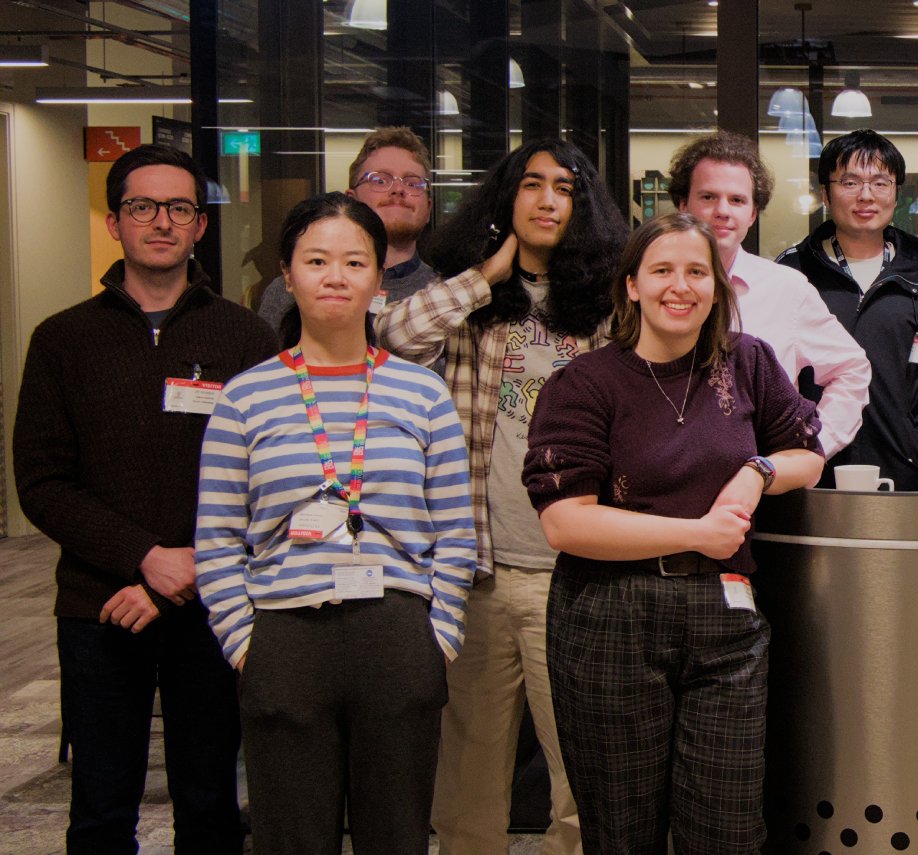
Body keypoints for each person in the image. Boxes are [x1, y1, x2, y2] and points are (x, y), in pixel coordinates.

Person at [525, 213, 825, 852]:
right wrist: (697, 532)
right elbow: (564, 522)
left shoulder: (748, 362)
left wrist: (757, 470)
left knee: (728, 828)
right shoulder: (583, 384)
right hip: (610, 617)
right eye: (662, 270)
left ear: (717, 288)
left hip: (726, 617)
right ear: (631, 285)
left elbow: (807, 453)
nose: (680, 286)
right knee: (623, 831)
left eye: (697, 272)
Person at [194, 192, 477, 853]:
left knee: (397, 834)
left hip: (398, 631)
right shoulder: (246, 396)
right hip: (284, 636)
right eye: (316, 259)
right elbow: (215, 538)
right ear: (287, 274)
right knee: (291, 835)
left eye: (355, 261)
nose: (336, 275)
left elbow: (455, 530)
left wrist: (441, 634)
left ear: (379, 279)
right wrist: (244, 642)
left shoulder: (421, 392)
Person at [13, 143, 274, 854]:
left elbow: (269, 476)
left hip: (214, 602)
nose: (161, 221)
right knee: (100, 807)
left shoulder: (245, 337)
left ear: (198, 226)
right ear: (114, 222)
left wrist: (187, 567)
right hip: (101, 605)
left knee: (210, 804)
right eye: (142, 206)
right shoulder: (62, 340)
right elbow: (41, 482)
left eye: (179, 207)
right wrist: (144, 558)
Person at [377, 139, 628, 855]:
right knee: (466, 782)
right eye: (532, 185)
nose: (548, 200)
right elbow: (392, 336)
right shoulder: (469, 303)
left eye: (566, 188)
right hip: (477, 577)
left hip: (575, 578)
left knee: (584, 776)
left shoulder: (609, 308)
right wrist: (485, 274)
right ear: (505, 198)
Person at [776, 129, 918, 490]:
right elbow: (763, 371)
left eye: (881, 183)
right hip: (804, 475)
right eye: (849, 181)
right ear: (825, 193)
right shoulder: (791, 274)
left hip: (899, 475)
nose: (866, 195)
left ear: (896, 194)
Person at [668, 131, 871, 456]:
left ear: (752, 213)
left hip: (763, 488)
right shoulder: (654, 290)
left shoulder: (786, 290)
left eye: (737, 200)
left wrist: (811, 449)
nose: (722, 211)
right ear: (682, 206)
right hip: (667, 486)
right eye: (708, 197)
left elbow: (852, 369)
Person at [258, 127, 439, 329]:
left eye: (413, 183)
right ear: (351, 200)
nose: (398, 190)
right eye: (380, 180)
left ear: (429, 208)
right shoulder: (293, 291)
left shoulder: (449, 297)